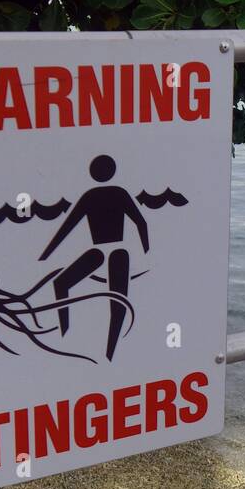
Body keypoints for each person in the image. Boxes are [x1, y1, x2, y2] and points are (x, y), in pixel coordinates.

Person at [39, 154, 149, 360]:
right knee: (118, 305)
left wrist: (46, 255)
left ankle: (75, 337)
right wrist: (146, 251)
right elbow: (141, 223)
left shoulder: (91, 196)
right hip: (117, 252)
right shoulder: (118, 193)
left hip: (101, 253)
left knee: (61, 285)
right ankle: (106, 352)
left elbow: (66, 229)